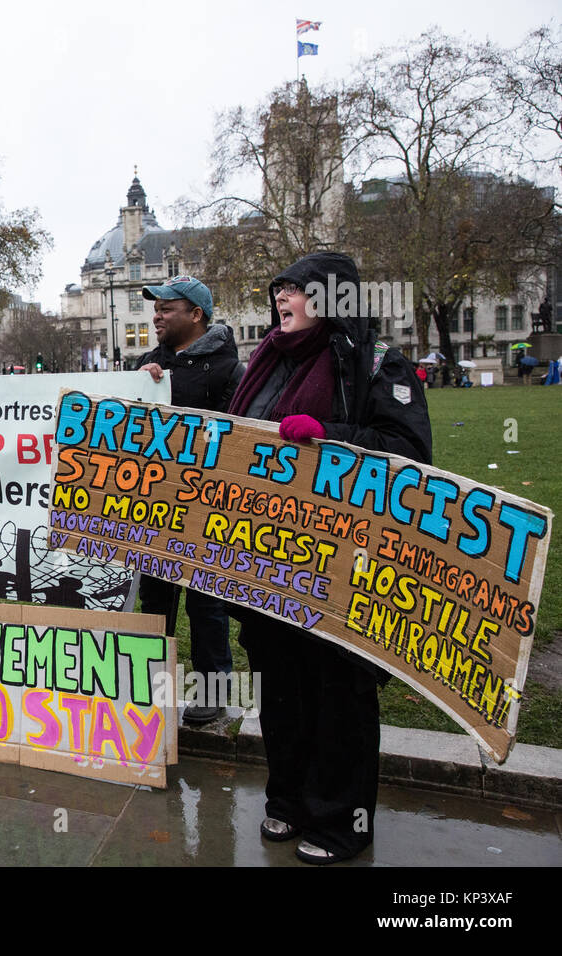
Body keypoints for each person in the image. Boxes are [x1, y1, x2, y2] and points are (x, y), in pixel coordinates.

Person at [226, 251, 431, 865]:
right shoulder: (262, 363)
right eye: (279, 290)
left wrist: (329, 437)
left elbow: (408, 454)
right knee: (281, 687)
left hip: (342, 570)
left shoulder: (374, 366)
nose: (282, 299)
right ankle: (287, 802)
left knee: (337, 691)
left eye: (297, 290)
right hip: (265, 561)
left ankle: (343, 822)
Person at [135, 274, 241, 724]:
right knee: (155, 602)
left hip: (207, 508)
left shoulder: (228, 370)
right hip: (154, 505)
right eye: (155, 308)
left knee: (206, 604)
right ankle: (152, 685)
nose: (156, 316)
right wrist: (136, 390)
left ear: (196, 315)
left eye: (167, 308)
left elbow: (241, 441)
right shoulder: (144, 363)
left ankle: (212, 690)